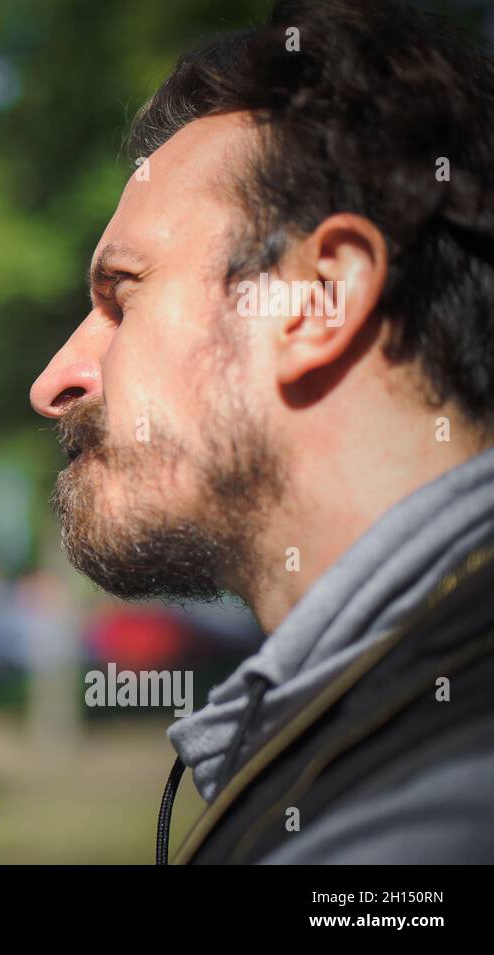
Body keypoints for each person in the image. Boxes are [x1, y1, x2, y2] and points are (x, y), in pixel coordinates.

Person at [27, 0, 494, 862]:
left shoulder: (439, 804)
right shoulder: (371, 718)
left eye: (121, 298)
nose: (54, 381)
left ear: (318, 301)